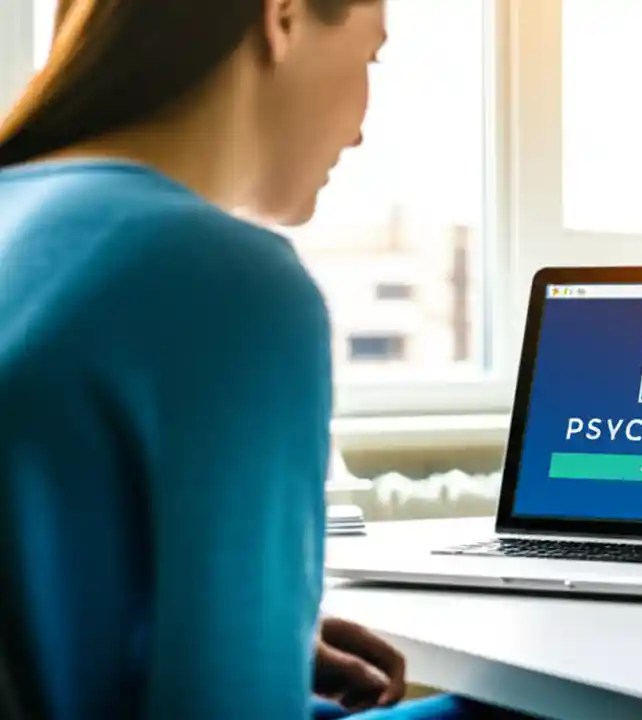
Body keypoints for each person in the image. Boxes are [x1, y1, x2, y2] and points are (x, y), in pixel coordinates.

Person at [0, 1, 529, 718]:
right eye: (370, 57)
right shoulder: (219, 278)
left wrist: (267, 643)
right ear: (281, 18)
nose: (363, 127)